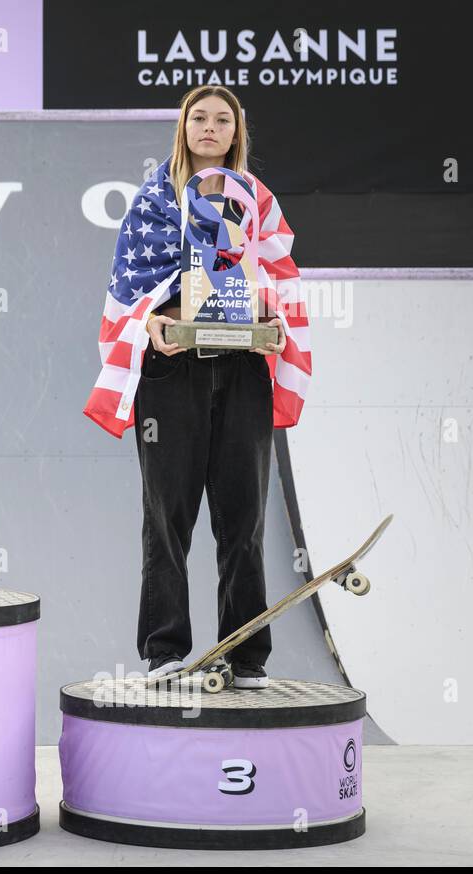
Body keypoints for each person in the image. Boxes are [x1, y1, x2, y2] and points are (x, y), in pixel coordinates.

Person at [83, 85, 312, 688]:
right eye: (198, 118)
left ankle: (248, 656)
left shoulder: (258, 202)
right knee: (167, 515)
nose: (210, 128)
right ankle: (166, 652)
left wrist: (269, 313)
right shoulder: (153, 201)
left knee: (245, 517)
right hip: (173, 369)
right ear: (182, 128)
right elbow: (128, 294)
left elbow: (281, 281)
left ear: (238, 133)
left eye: (223, 120)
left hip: (242, 369)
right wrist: (152, 325)